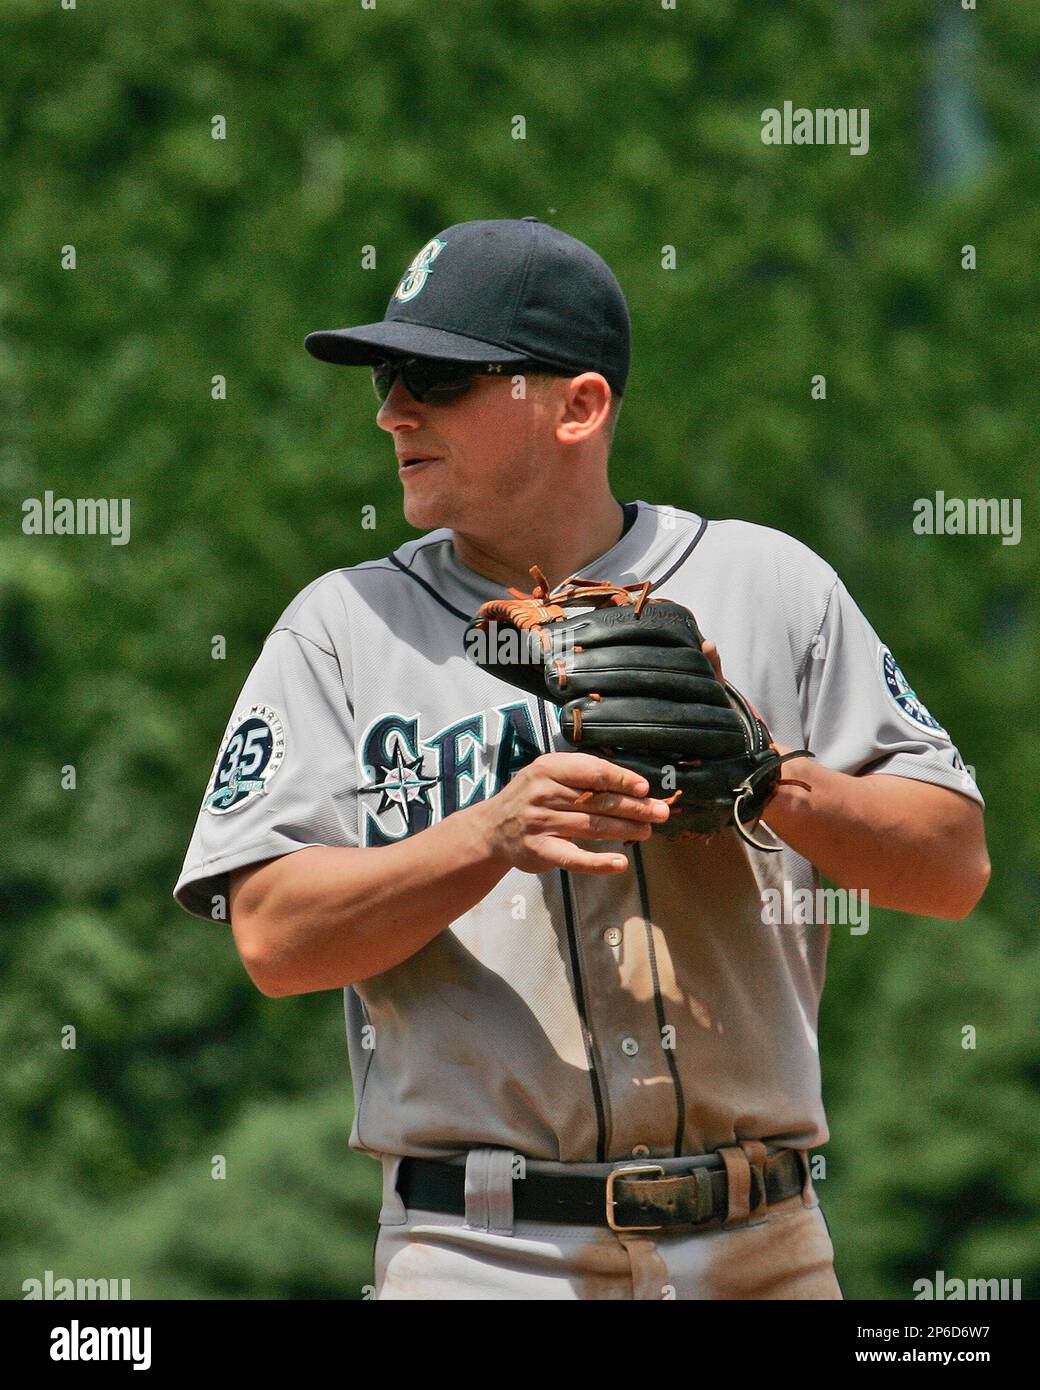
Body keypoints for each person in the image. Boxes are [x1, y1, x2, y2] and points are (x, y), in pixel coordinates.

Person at [173, 217, 990, 1300]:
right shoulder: (343, 627)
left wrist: (768, 778)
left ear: (579, 404)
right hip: (478, 1254)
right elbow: (274, 938)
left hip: (761, 1248)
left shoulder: (768, 584)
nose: (390, 411)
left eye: (437, 376)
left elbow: (950, 867)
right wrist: (487, 834)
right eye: (386, 378)